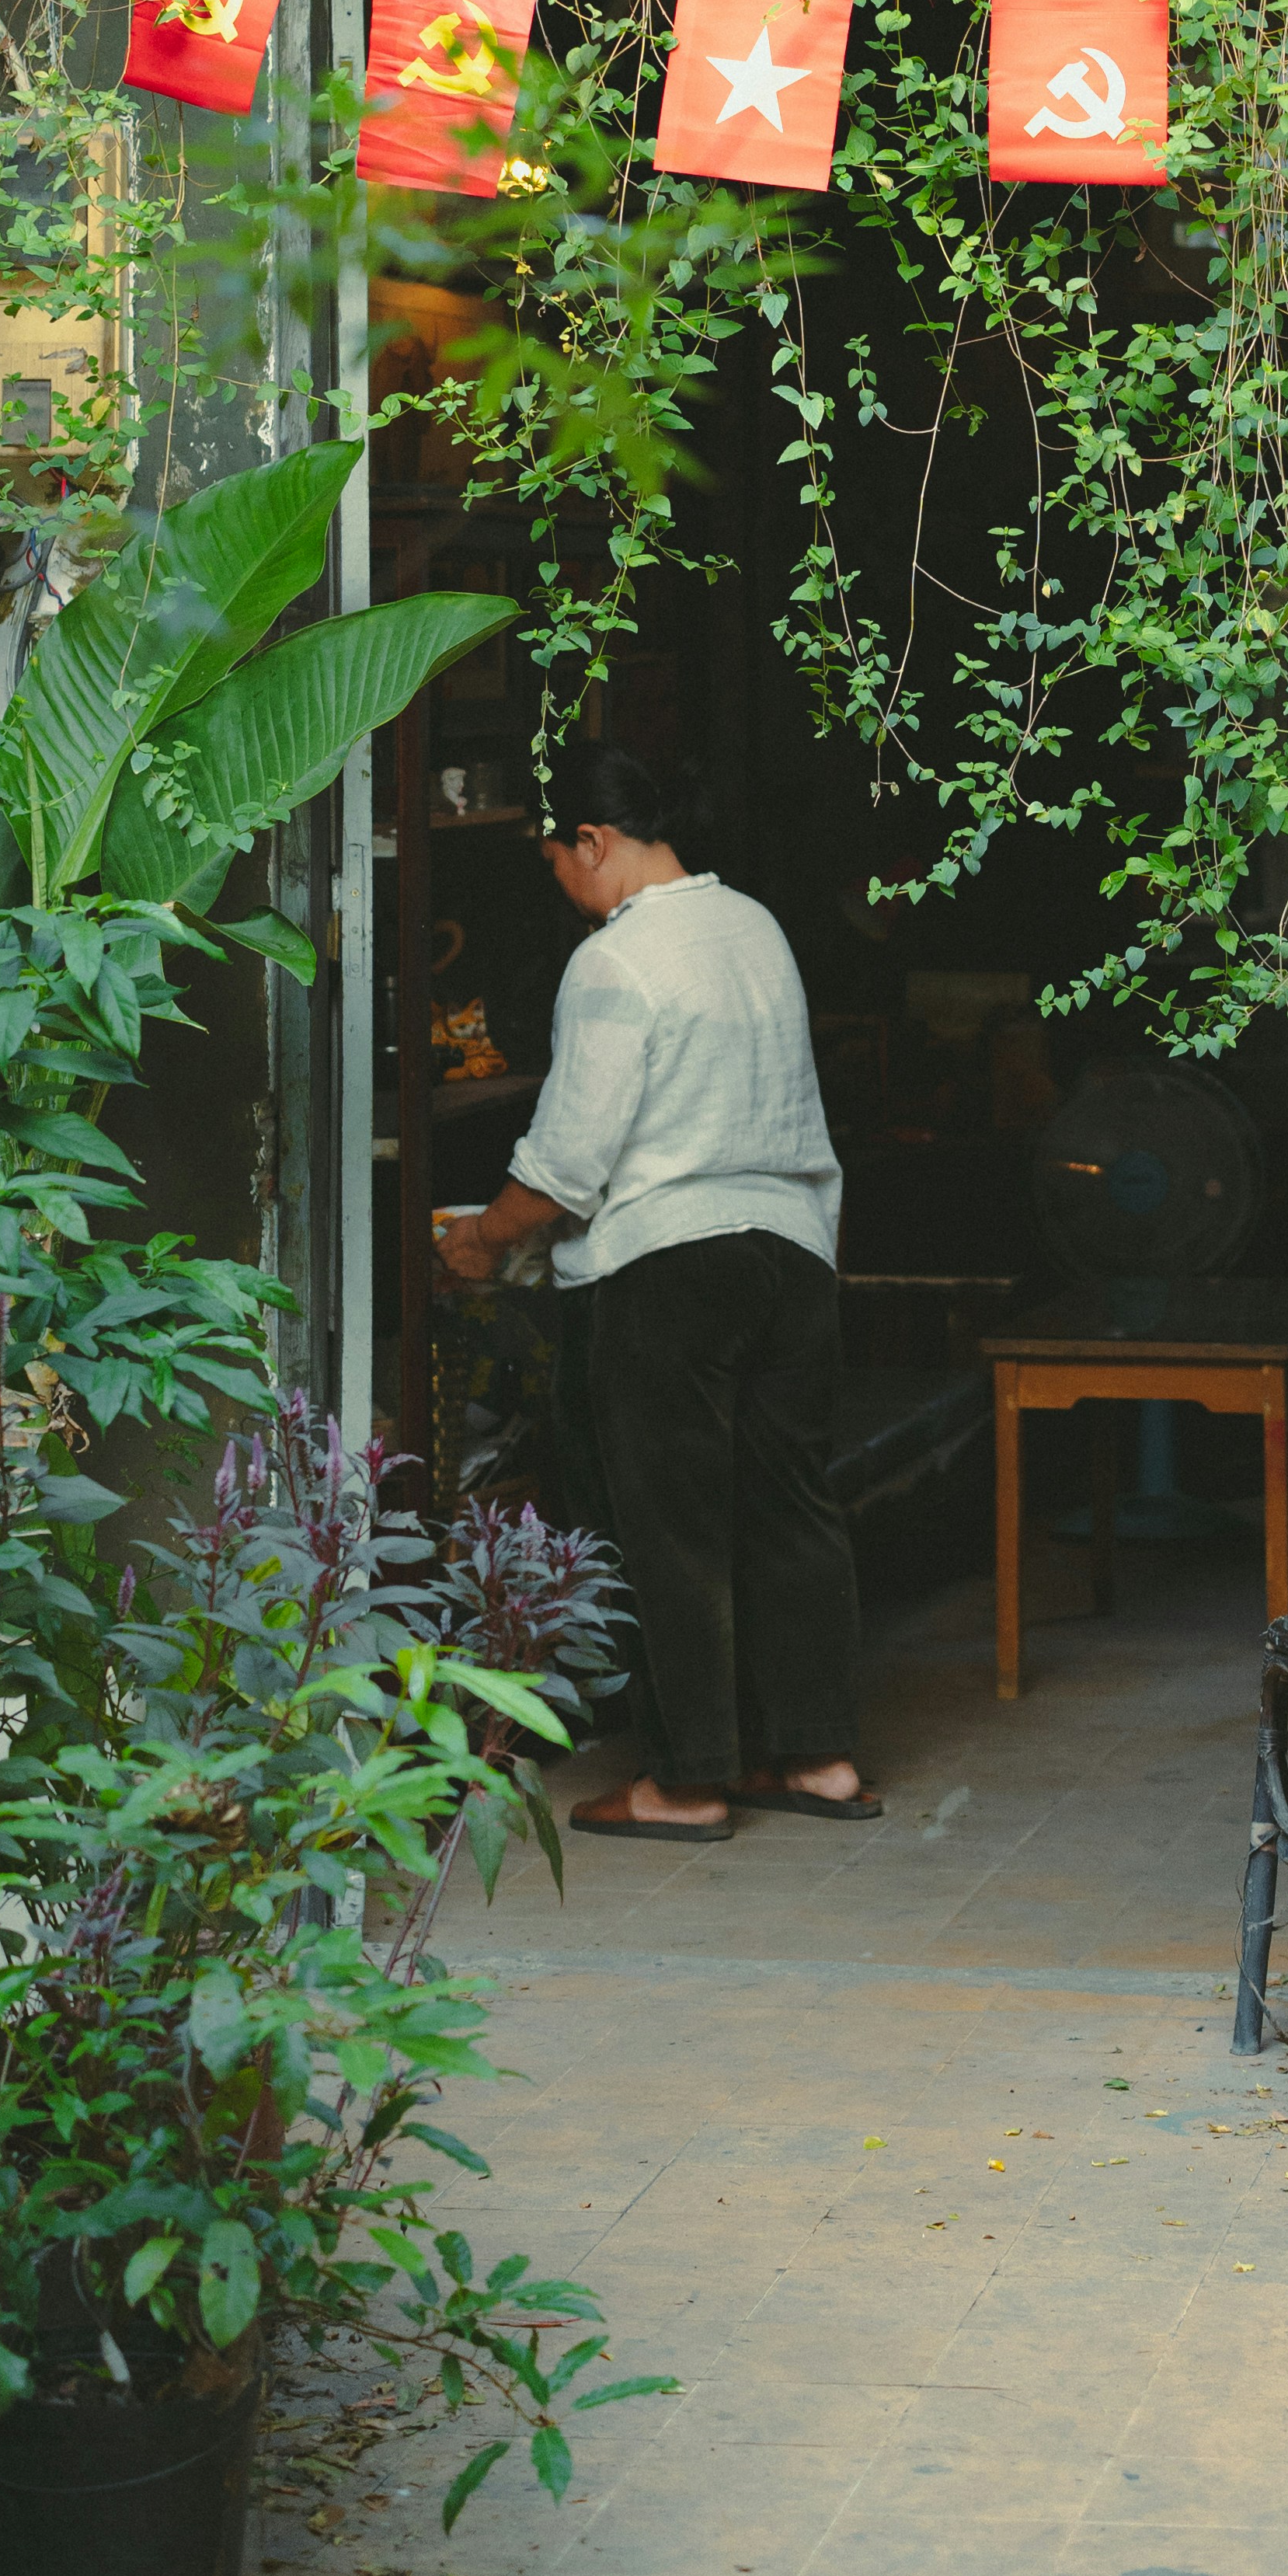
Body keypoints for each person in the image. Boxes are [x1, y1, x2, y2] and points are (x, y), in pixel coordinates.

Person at [436, 744, 874, 1842]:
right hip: (791, 1251)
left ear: (593, 841)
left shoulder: (616, 960)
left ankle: (687, 1781)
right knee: (791, 1506)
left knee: (665, 1525)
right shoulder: (753, 928)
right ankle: (817, 1758)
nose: (563, 888)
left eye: (556, 864)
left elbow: (567, 1162)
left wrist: (484, 1238)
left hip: (670, 1265)